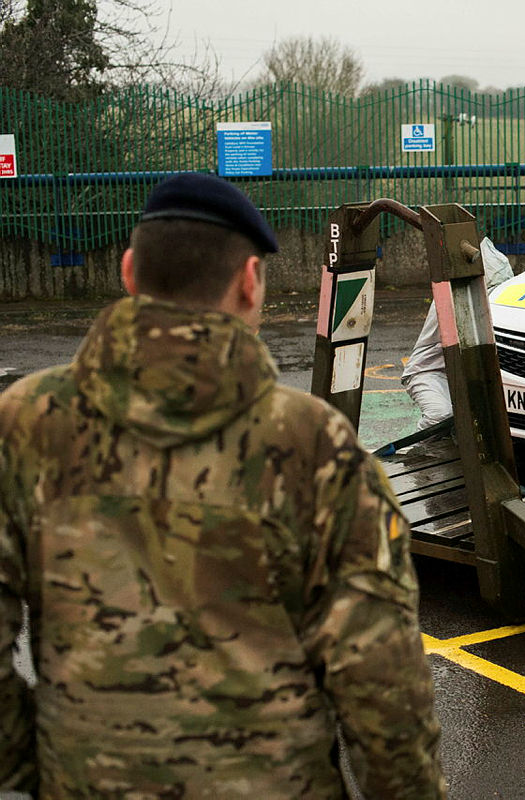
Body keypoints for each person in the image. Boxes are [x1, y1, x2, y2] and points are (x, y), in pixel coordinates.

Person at [0, 173, 446, 798]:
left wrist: (41, 766)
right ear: (248, 281)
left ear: (129, 272)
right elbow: (380, 683)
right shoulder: (315, 445)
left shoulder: (25, 424)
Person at [402, 237, 514, 429]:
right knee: (441, 417)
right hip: (429, 372)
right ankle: (420, 451)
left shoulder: (476, 298)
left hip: (462, 374)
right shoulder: (456, 299)